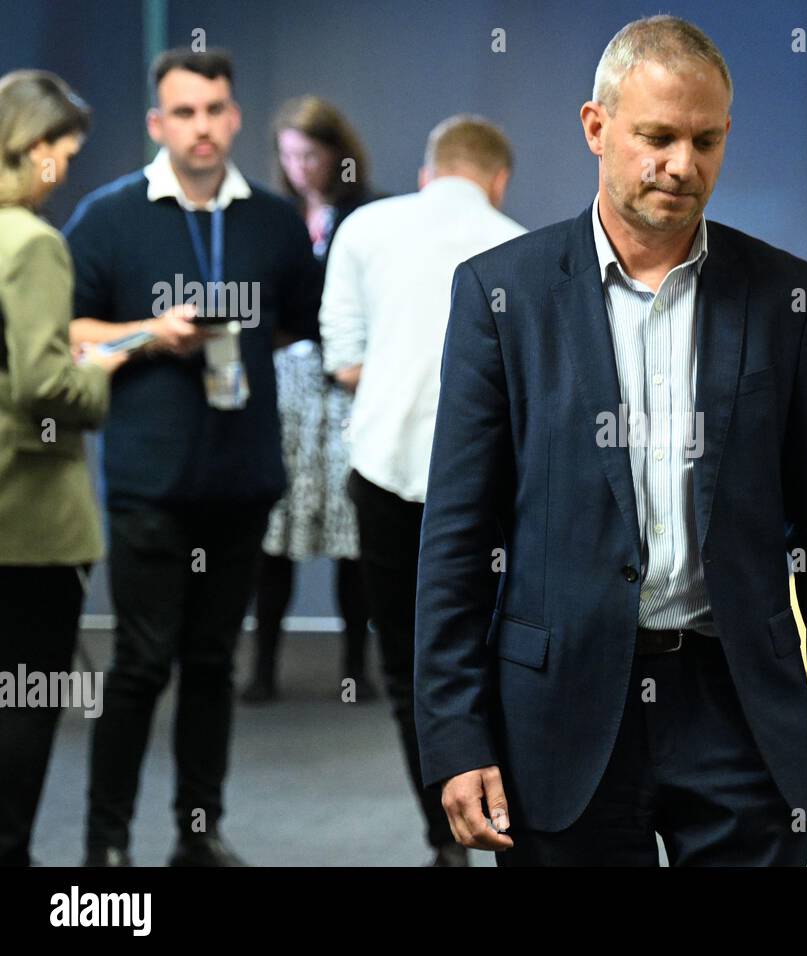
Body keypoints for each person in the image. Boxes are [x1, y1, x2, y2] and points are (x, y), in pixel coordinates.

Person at [415, 15, 807, 866]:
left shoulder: (784, 297)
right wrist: (455, 736)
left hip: (738, 705)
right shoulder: (503, 295)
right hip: (561, 711)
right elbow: (457, 534)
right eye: (657, 136)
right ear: (597, 127)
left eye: (705, 141)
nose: (682, 164)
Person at [64, 48, 321, 866]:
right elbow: (68, 330)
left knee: (212, 663)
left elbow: (296, 321)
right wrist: (152, 334)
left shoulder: (273, 223)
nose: (201, 127)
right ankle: (105, 845)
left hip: (240, 479)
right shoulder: (110, 215)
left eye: (214, 110)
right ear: (157, 124)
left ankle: (196, 835)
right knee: (140, 665)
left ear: (235, 115)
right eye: (184, 113)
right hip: (148, 481)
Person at [320, 114, 525, 865]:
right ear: (498, 179)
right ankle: (512, 826)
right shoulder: (522, 244)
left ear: (426, 173)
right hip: (493, 489)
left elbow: (341, 362)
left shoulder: (365, 229)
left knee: (411, 665)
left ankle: (445, 838)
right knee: (505, 656)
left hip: (385, 475)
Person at [0, 70, 127, 867]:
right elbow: (45, 387)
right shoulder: (34, 242)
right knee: (26, 699)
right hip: (31, 519)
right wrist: (101, 369)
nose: (67, 169)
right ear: (36, 148)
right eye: (66, 153)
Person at [241, 96, 376, 705]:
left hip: (351, 392)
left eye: (311, 154)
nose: (300, 167)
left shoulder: (371, 217)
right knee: (277, 534)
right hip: (285, 394)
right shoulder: (273, 219)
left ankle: (357, 668)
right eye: (289, 155)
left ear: (337, 154)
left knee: (354, 535)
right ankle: (263, 669)